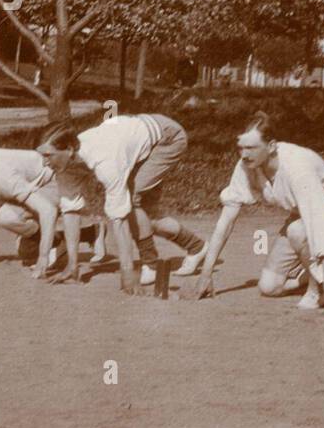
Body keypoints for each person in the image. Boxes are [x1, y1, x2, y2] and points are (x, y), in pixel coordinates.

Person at [184, 112, 324, 315]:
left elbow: (321, 225)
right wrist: (206, 274)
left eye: (251, 148)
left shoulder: (297, 168)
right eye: (240, 147)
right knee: (269, 286)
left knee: (296, 231)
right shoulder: (246, 166)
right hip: (300, 216)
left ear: (272, 146)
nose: (244, 154)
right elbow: (226, 221)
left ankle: (318, 289)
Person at [36, 113, 203, 294]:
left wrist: (127, 273)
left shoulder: (105, 160)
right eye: (41, 156)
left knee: (131, 202)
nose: (45, 163)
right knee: (147, 213)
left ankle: (152, 265)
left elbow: (119, 219)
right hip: (134, 137)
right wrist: (72, 267)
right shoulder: (64, 165)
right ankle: (196, 247)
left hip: (167, 138)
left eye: (48, 156)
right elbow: (70, 211)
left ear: (68, 149)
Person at [0, 140, 105, 277]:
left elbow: (47, 210)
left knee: (7, 217)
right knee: (25, 252)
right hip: (35, 185)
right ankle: (86, 233)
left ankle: (83, 234)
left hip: (56, 180)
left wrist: (43, 257)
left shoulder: (3, 176)